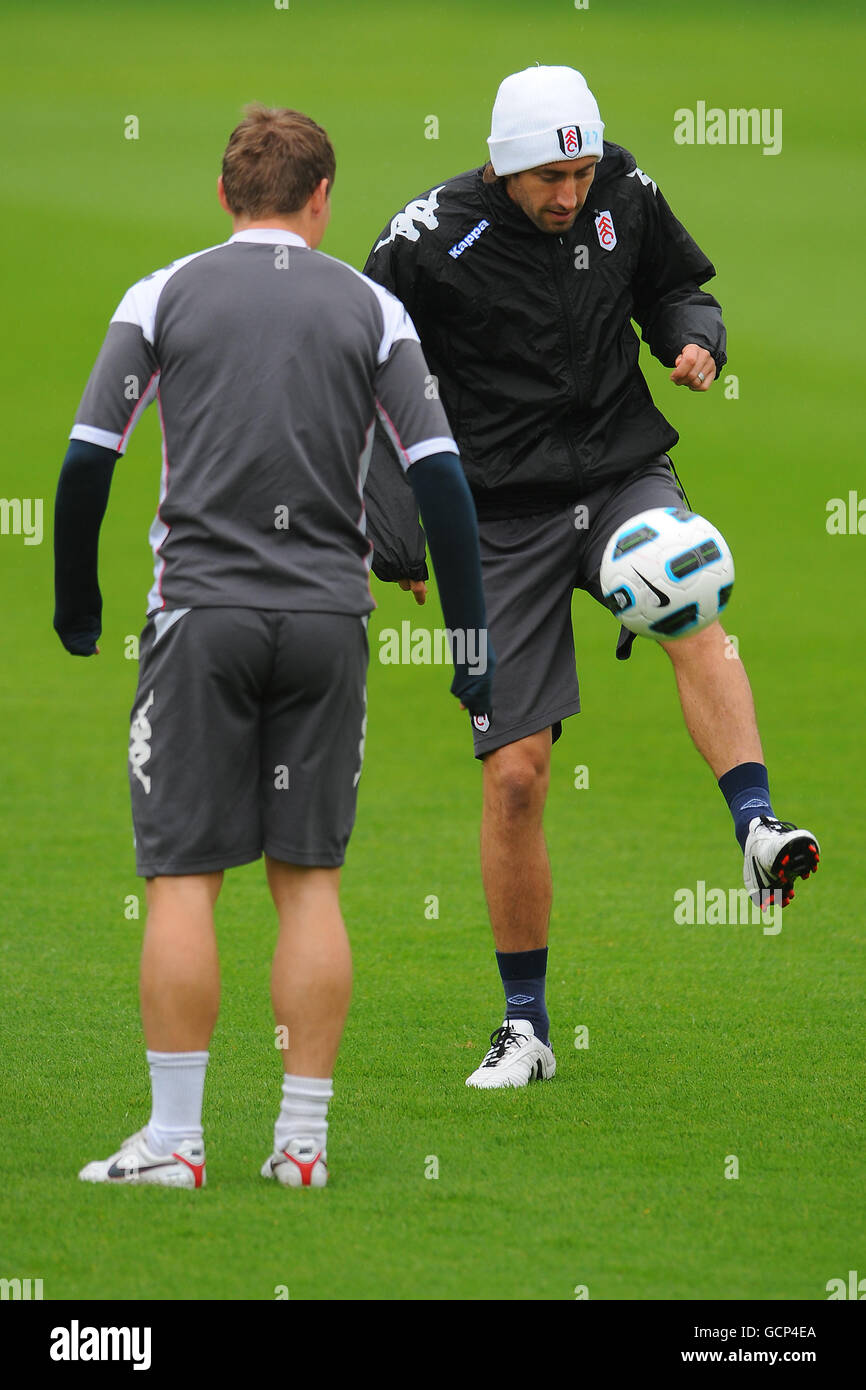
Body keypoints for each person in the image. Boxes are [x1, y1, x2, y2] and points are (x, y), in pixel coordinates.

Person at [54, 104, 493, 1186]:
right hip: (329, 628)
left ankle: (174, 1141)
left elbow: (85, 460)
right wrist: (470, 641)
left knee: (184, 882)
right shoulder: (374, 308)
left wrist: (78, 603)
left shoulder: (160, 294)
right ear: (321, 199)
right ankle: (301, 1147)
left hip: (199, 621)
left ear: (223, 196)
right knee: (308, 885)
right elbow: (439, 480)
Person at [361, 66, 820, 1089]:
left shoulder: (623, 188)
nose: (569, 193)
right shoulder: (423, 239)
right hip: (496, 513)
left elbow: (672, 290)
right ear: (501, 162)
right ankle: (524, 1024)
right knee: (516, 773)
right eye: (546, 175)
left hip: (618, 469)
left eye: (578, 169)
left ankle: (754, 824)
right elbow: (373, 386)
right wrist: (395, 533)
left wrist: (693, 342)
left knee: (689, 593)